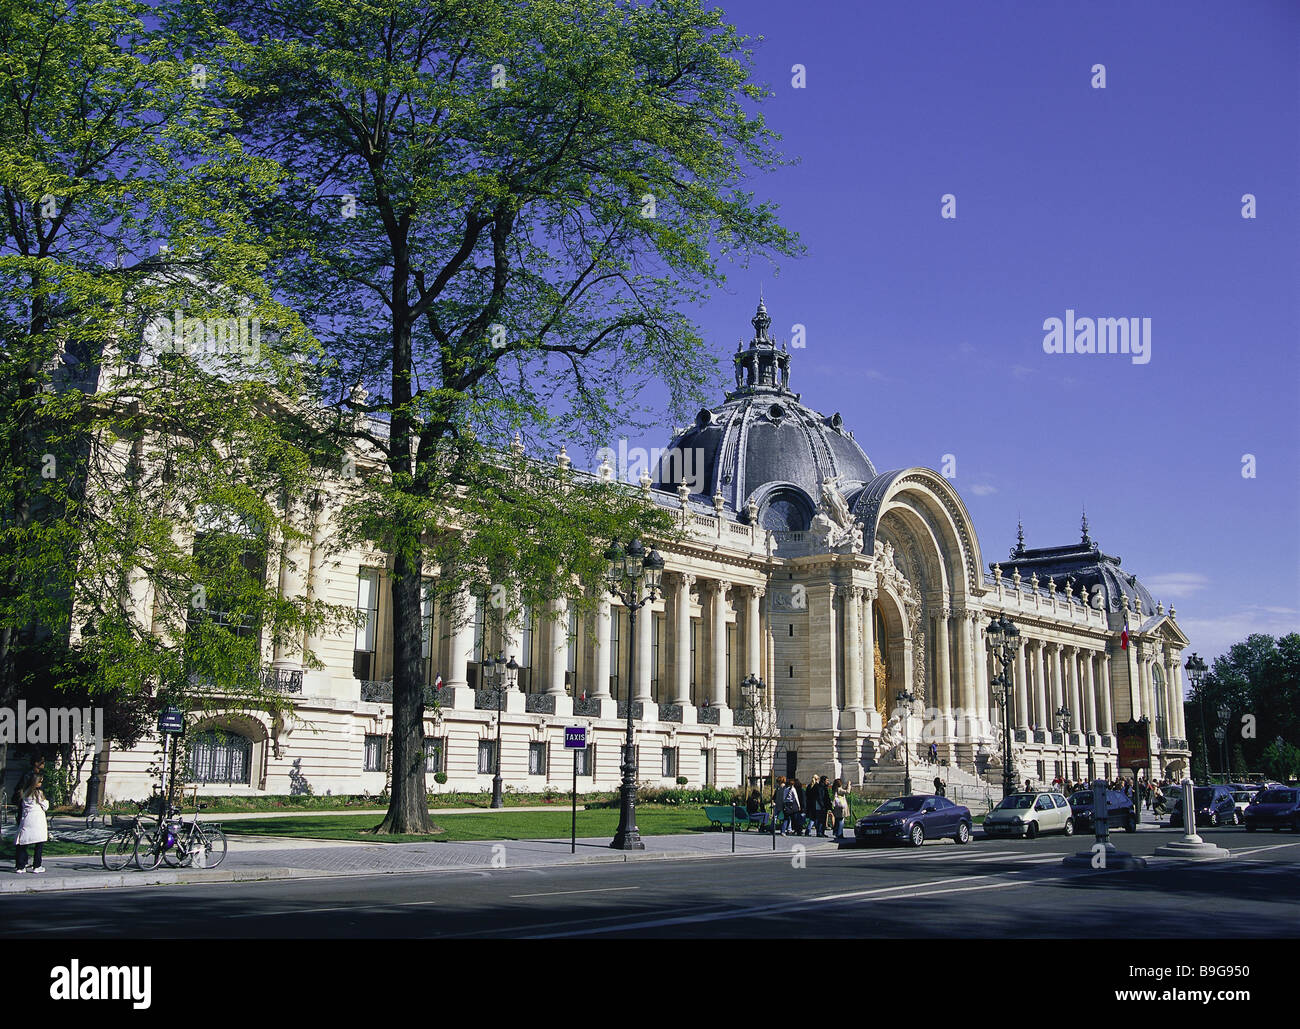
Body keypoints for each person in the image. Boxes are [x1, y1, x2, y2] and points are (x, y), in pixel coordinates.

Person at [14, 773, 49, 874]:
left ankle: (21, 866)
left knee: (23, 842)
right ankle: (37, 866)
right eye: (40, 781)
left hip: (27, 820)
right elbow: (45, 806)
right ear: (36, 782)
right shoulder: (38, 793)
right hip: (38, 821)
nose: (41, 783)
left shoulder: (24, 793)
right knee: (39, 844)